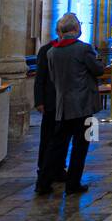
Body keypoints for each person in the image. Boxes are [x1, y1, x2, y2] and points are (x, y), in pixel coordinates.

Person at [34, 13, 102, 196]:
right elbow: (98, 70)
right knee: (81, 146)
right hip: (82, 106)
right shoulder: (83, 49)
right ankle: (73, 183)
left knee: (56, 145)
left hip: (62, 105)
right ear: (76, 29)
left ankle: (43, 182)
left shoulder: (51, 52)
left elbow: (52, 78)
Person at [33, 38, 68, 184]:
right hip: (50, 101)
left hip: (65, 102)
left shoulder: (69, 49)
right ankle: (43, 171)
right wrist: (39, 100)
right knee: (48, 137)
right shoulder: (46, 50)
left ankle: (59, 168)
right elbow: (40, 77)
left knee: (63, 138)